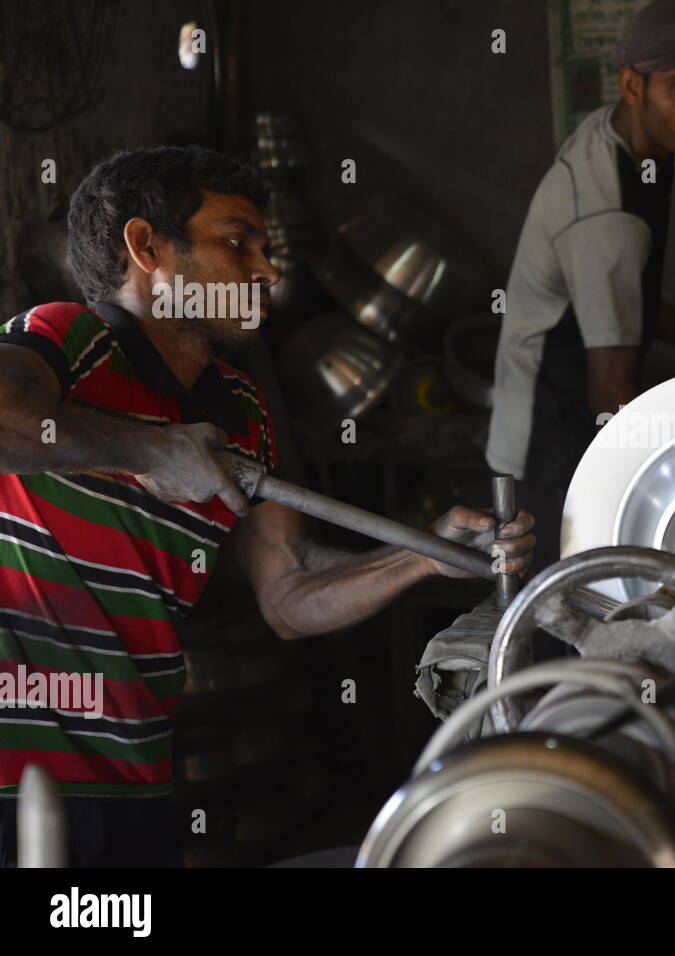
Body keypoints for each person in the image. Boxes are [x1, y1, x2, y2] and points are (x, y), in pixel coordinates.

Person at [0, 145, 535, 867]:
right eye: (235, 242)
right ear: (147, 246)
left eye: (265, 246)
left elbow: (288, 593)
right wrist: (151, 450)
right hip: (17, 775)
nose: (267, 270)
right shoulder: (69, 339)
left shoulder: (239, 409)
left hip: (134, 780)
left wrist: (422, 553)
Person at [487, 0, 675, 572]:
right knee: (562, 617)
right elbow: (610, 393)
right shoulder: (608, 213)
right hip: (548, 441)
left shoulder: (634, 141)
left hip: (573, 410)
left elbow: (618, 292)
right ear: (633, 84)